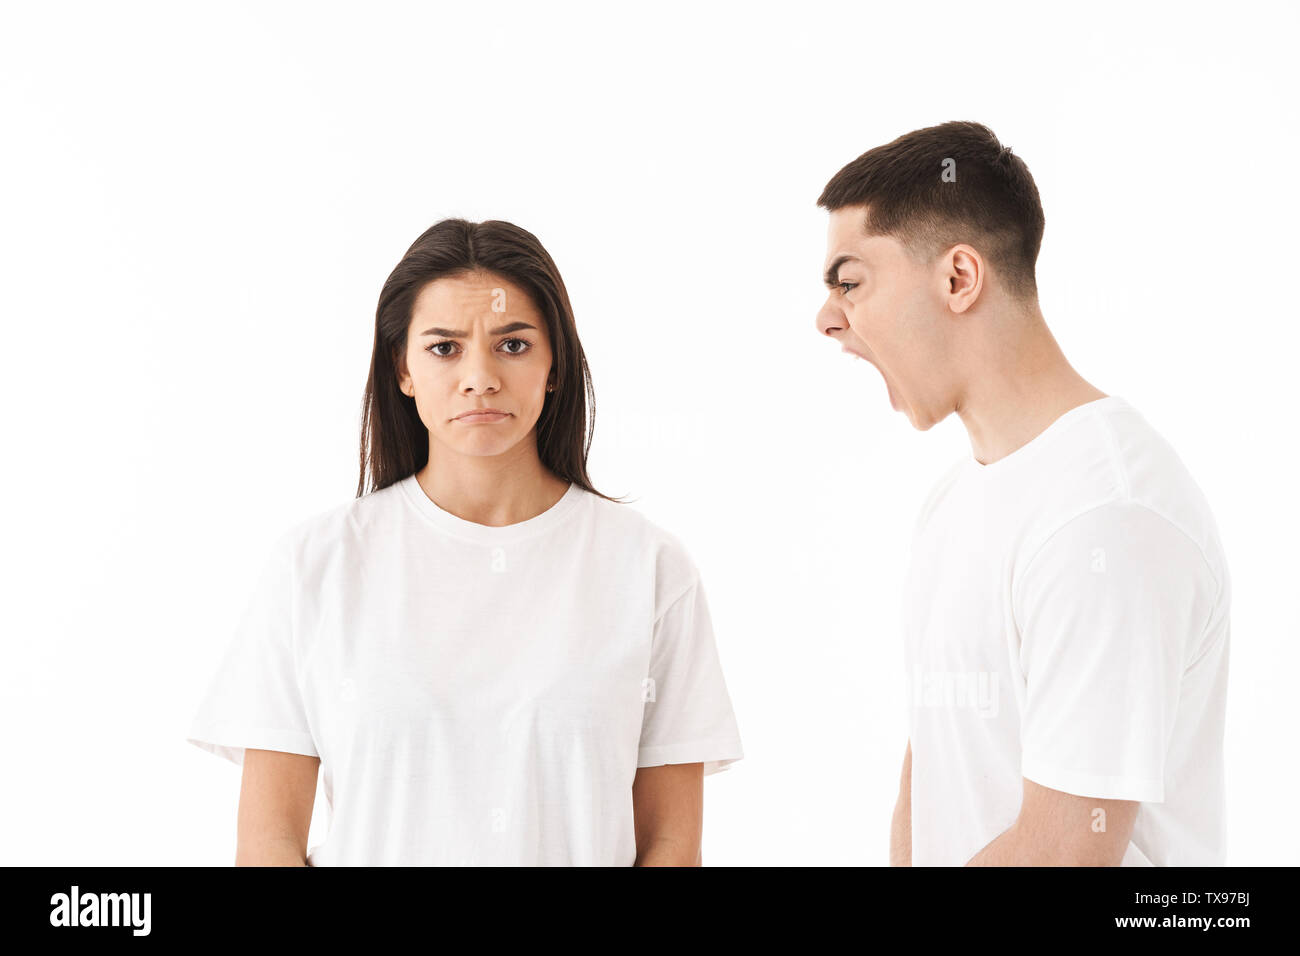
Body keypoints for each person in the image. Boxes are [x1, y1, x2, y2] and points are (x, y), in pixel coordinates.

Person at [186, 218, 743, 866]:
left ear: (555, 363)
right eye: (444, 348)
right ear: (403, 368)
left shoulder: (648, 568)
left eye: (512, 344)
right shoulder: (316, 565)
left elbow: (671, 843)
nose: (479, 377)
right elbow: (268, 843)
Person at [813, 121, 1231, 866]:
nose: (827, 317)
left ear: (958, 278)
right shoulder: (957, 497)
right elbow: (936, 765)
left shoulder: (1107, 517)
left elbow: (1066, 855)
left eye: (850, 281)